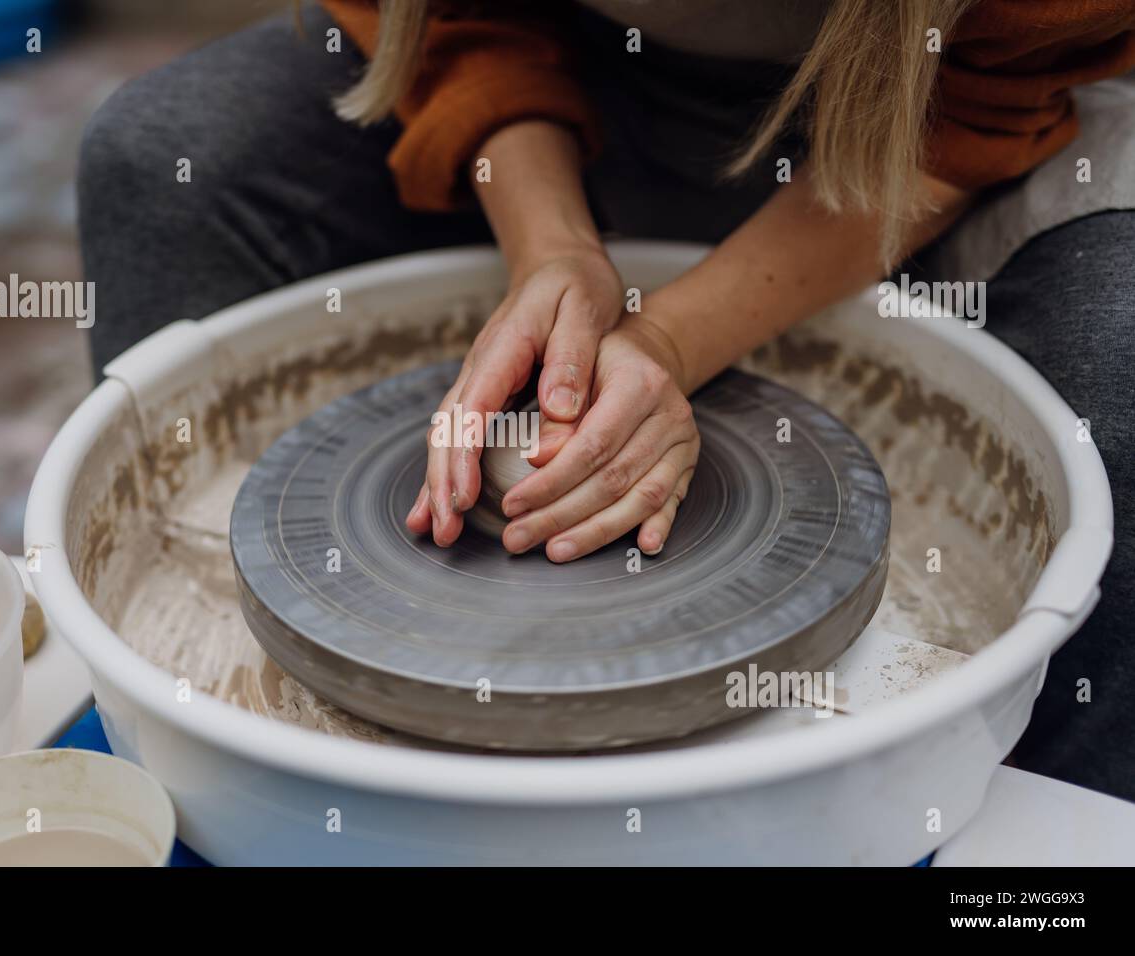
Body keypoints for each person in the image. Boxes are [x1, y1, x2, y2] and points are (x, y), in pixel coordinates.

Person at [77, 1, 1135, 798]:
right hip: (577, 66)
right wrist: (552, 253)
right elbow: (453, 18)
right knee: (165, 159)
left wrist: (674, 336)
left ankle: (1029, 851)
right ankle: (213, 749)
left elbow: (979, 104)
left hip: (938, 102)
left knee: (1116, 371)